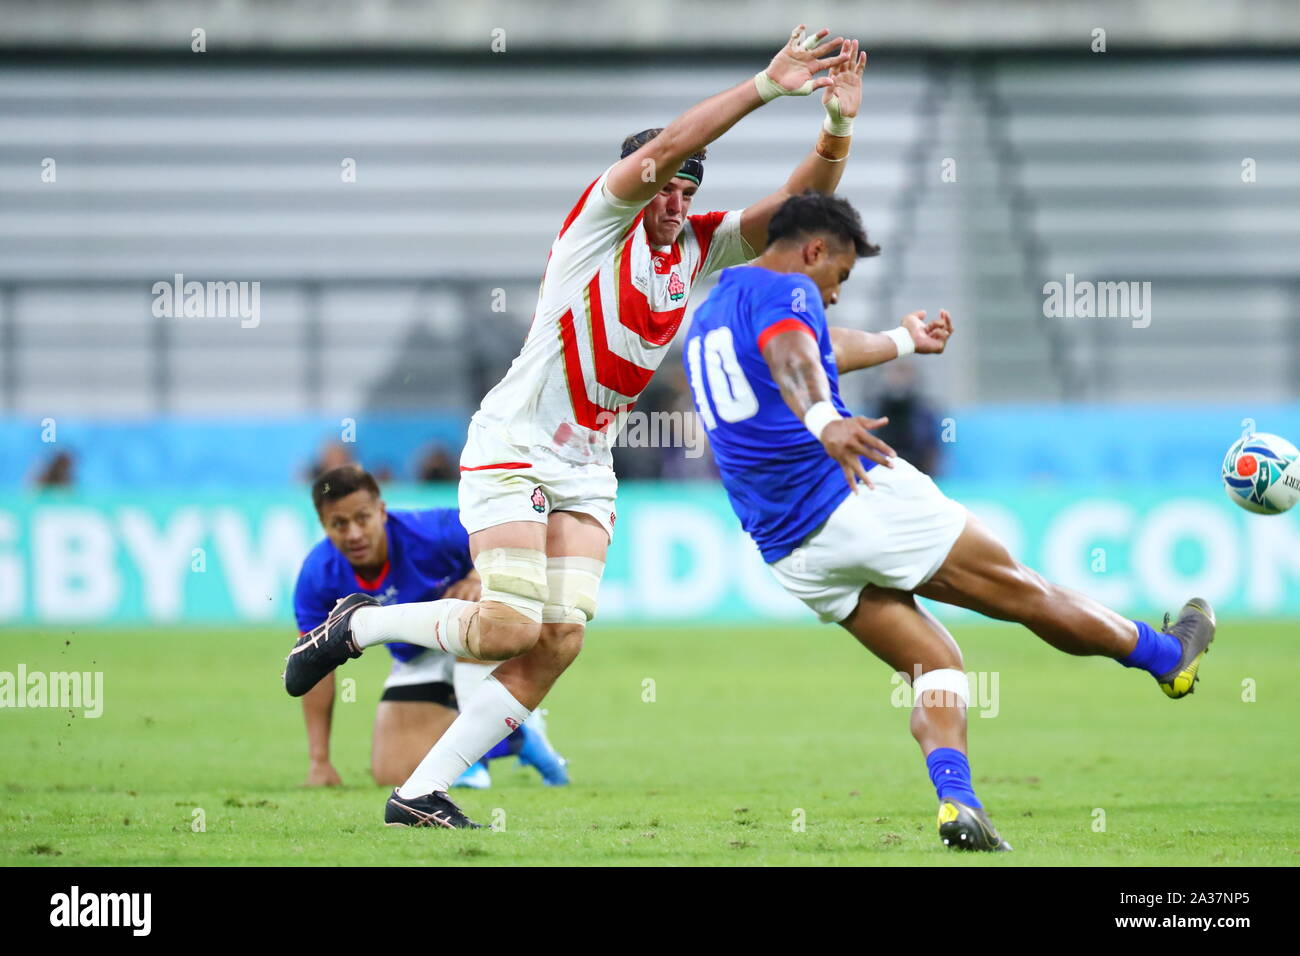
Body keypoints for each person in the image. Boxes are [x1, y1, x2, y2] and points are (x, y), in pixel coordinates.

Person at [285, 25, 870, 828]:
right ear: (638, 181)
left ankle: (419, 792)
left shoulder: (697, 249)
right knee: (506, 627)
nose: (673, 202)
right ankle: (362, 623)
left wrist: (836, 124)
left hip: (589, 463)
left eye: (686, 190)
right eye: (663, 184)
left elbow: (803, 212)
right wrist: (765, 86)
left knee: (557, 640)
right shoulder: (600, 224)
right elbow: (672, 144)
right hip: (515, 442)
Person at [678, 190, 1215, 851]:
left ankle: (957, 801)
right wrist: (825, 421)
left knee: (937, 663)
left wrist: (903, 339)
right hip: (853, 491)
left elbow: (823, 347)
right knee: (1028, 592)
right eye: (839, 276)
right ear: (813, 251)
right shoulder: (789, 292)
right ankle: (1169, 657)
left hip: (790, 547)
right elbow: (796, 356)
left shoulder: (715, 308)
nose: (836, 295)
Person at [292, 465, 568, 791]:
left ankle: (477, 763)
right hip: (417, 658)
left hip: (480, 639)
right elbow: (317, 665)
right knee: (393, 773)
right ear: (324, 526)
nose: (353, 533)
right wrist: (319, 760)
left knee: (484, 611)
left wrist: (475, 578)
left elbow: (511, 542)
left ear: (381, 512)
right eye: (339, 524)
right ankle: (520, 737)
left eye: (362, 518)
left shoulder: (433, 531)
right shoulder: (317, 576)